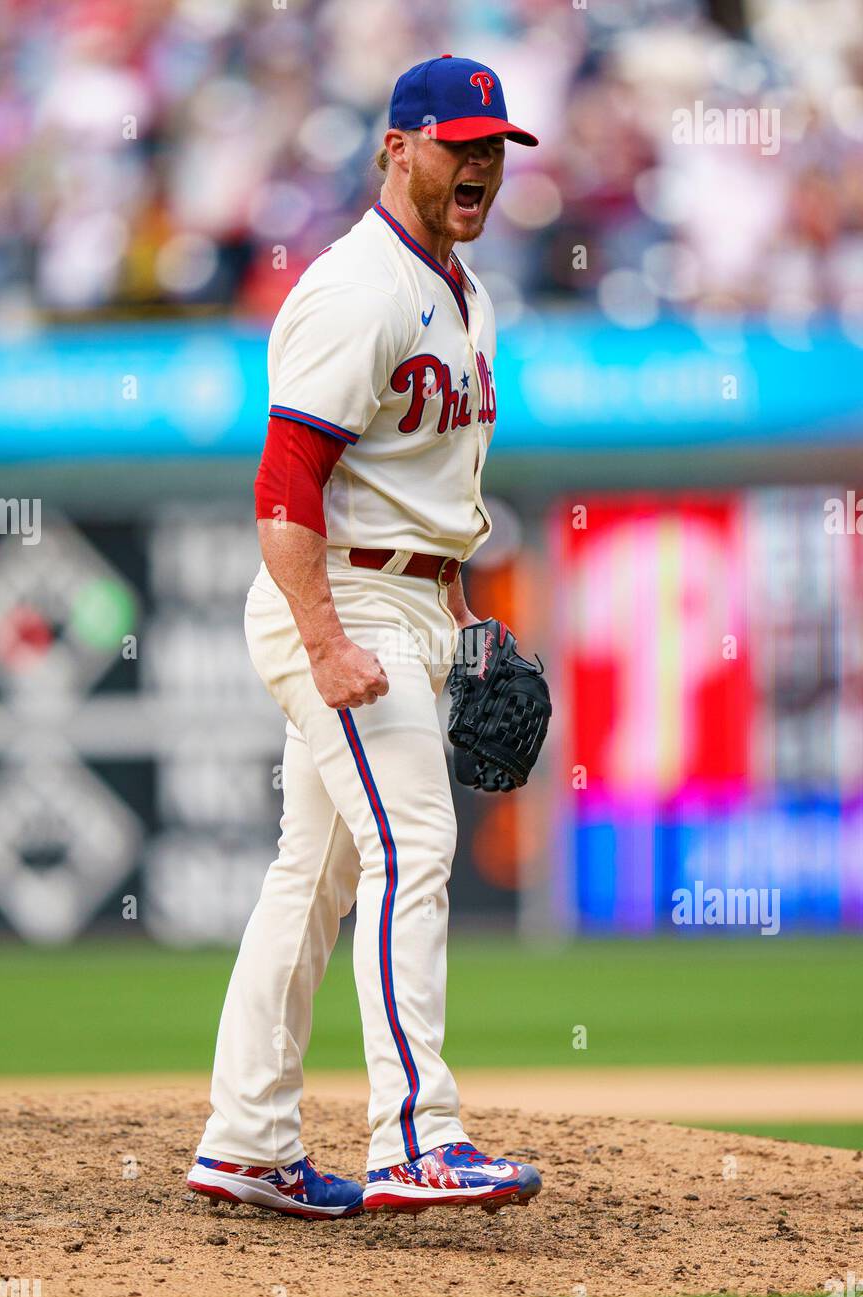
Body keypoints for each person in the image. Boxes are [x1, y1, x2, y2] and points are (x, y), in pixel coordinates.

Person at [187, 56, 542, 1217]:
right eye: (459, 142)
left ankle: (246, 1138)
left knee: (320, 872)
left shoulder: (467, 293)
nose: (480, 163)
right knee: (416, 844)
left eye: (495, 145)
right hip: (334, 600)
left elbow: (421, 491)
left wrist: (457, 612)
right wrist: (328, 639)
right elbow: (287, 489)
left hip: (410, 598)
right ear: (399, 148)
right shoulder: (358, 288)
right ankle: (416, 1136)